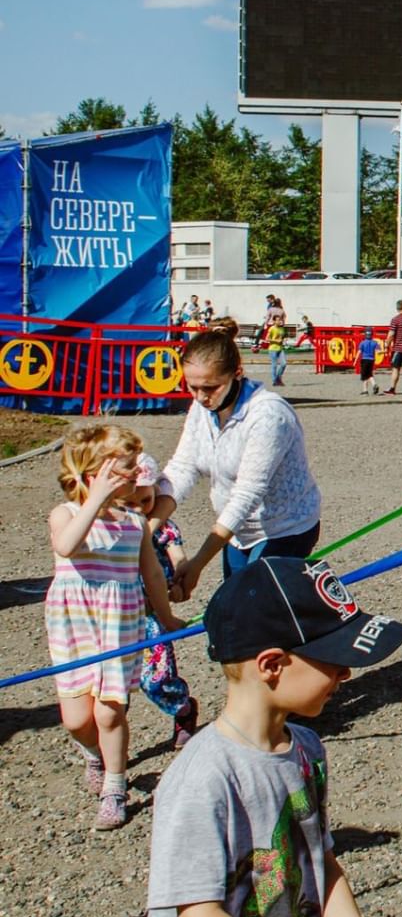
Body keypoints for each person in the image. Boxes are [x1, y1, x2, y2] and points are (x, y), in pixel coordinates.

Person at [132, 557, 402, 917]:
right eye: (334, 660)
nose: (346, 676)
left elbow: (320, 864)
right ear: (272, 665)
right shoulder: (204, 778)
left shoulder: (306, 749)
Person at [47, 424, 184, 831]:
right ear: (95, 474)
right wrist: (96, 500)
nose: (136, 475)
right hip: (74, 626)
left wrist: (166, 617)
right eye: (126, 470)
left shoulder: (133, 524)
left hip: (118, 624)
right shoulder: (67, 513)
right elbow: (67, 546)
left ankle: (115, 786)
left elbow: (152, 577)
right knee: (76, 720)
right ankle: (94, 754)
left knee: (109, 714)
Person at [155, 329, 323, 589]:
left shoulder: (268, 415)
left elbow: (247, 494)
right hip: (237, 532)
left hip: (284, 528)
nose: (200, 397)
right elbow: (183, 467)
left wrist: (198, 563)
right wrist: (148, 526)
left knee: (258, 609)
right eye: (192, 386)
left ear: (237, 373)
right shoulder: (201, 409)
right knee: (236, 606)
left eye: (210, 387)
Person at [127, 454, 201, 748]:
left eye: (144, 501)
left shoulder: (163, 527)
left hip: (150, 615)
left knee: (157, 679)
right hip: (115, 614)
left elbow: (177, 554)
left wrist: (180, 577)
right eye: (129, 503)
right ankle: (107, 746)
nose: (137, 510)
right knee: (113, 689)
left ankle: (183, 708)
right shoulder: (112, 527)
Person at [354, 327, 380, 395]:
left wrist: (355, 361)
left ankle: (365, 390)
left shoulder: (362, 343)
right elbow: (378, 351)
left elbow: (359, 352)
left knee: (364, 375)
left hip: (364, 360)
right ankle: (374, 384)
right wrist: (384, 351)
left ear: (365, 334)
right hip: (371, 360)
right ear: (372, 334)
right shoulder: (375, 343)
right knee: (369, 374)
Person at [263, 317, 287, 387]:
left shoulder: (282, 328)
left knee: (284, 364)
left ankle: (278, 378)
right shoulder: (272, 328)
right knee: (274, 366)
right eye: (278, 320)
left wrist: (284, 339)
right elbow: (266, 338)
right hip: (272, 349)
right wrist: (276, 341)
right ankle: (275, 381)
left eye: (280, 320)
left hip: (280, 348)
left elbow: (283, 337)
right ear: (274, 321)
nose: (280, 321)